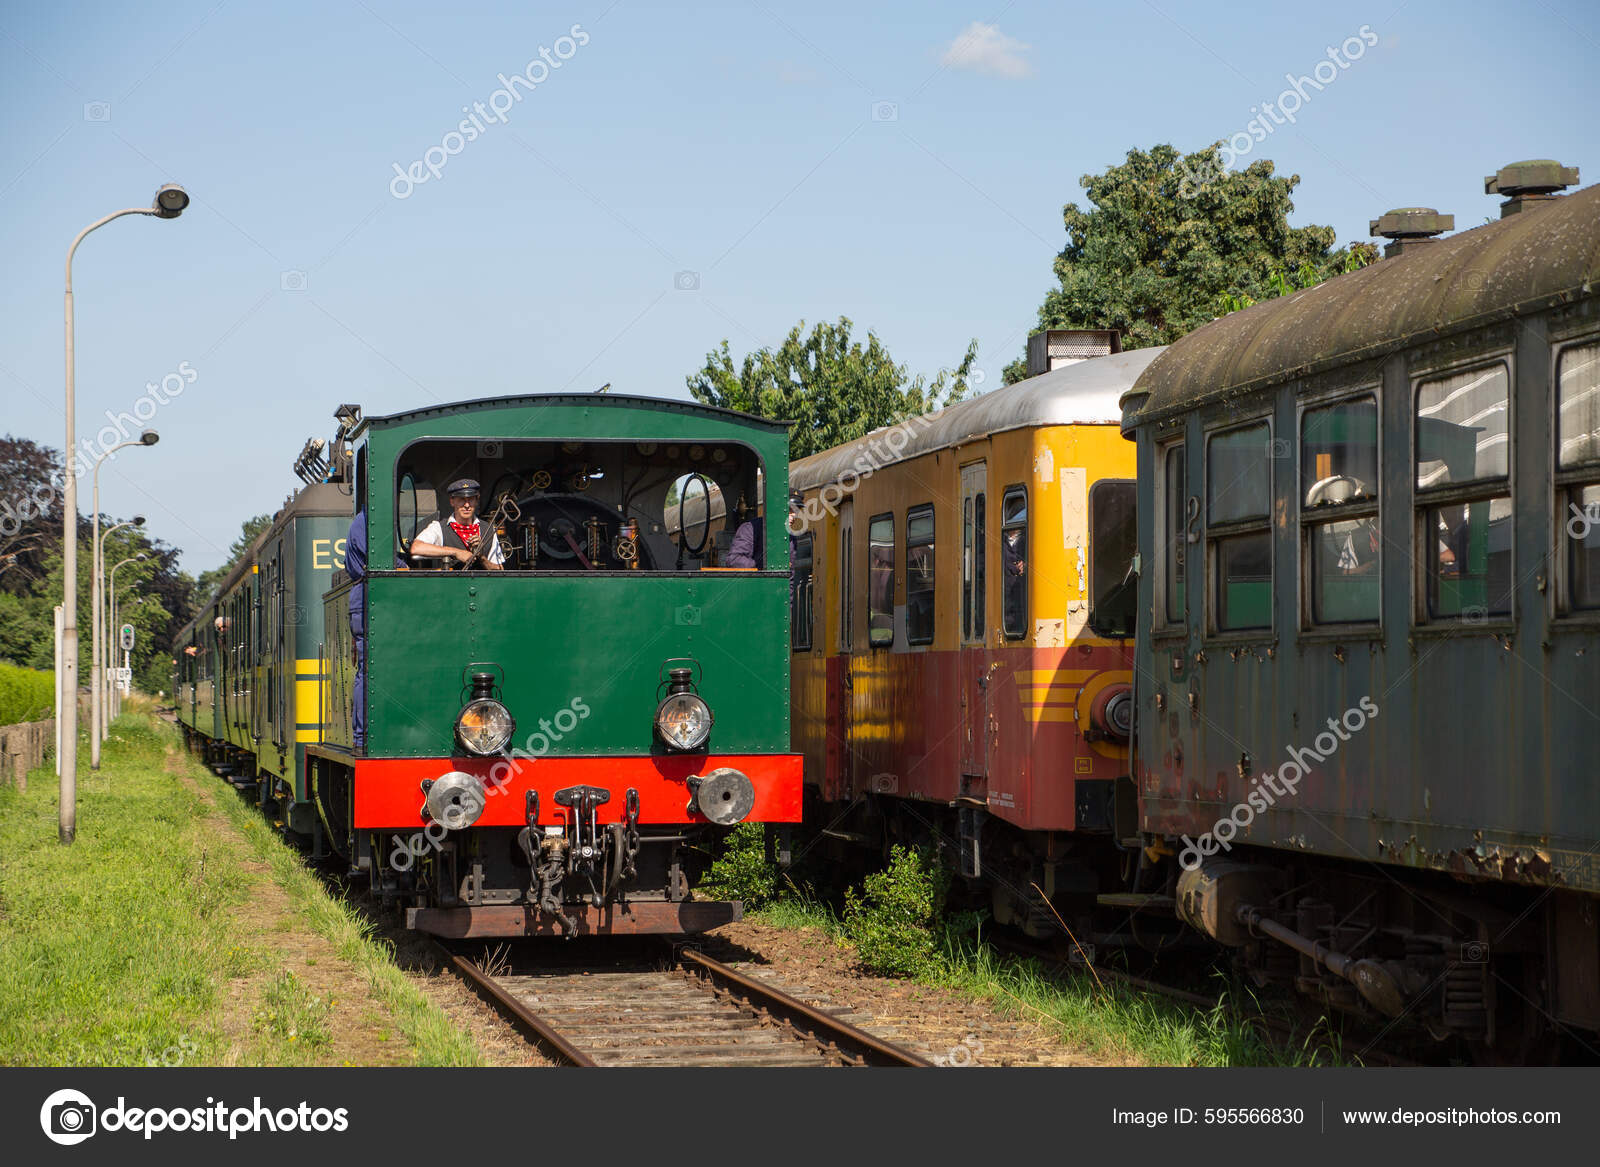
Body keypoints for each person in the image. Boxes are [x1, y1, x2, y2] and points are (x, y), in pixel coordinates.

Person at [410, 479, 505, 569]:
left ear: (477, 501)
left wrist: (481, 557)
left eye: (471, 499)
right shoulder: (439, 528)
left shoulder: (489, 529)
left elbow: (499, 570)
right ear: (452, 501)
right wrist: (456, 552)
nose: (467, 505)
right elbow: (416, 548)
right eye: (461, 499)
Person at [346, 508, 367, 751]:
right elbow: (377, 558)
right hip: (365, 597)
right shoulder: (364, 522)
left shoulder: (362, 522)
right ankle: (361, 736)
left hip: (364, 598)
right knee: (368, 669)